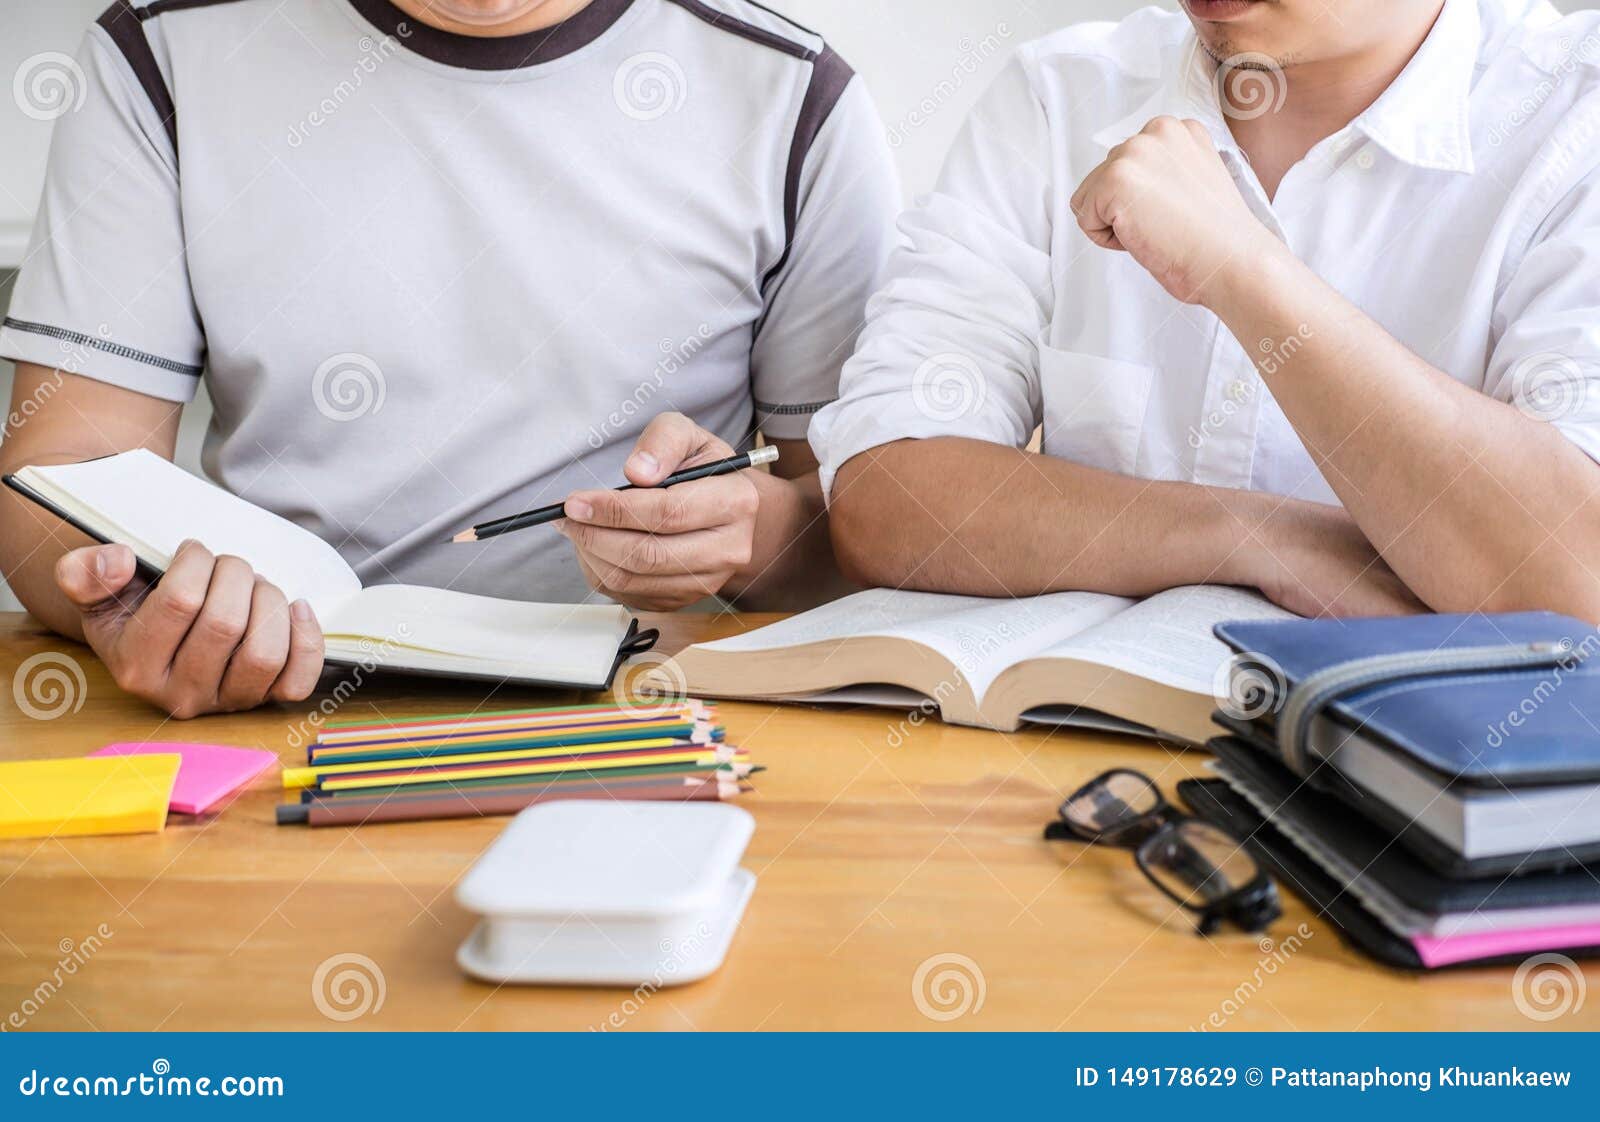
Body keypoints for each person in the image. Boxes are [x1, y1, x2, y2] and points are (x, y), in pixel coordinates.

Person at [0, 0, 898, 717]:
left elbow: (864, 526)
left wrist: (746, 535)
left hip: (641, 710)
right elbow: (60, 473)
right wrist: (131, 607)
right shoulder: (162, 55)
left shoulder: (791, 98)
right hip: (263, 696)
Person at [814, 0, 1600, 623]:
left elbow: (1575, 578)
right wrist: (1256, 538)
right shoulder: (1060, 93)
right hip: (1075, 755)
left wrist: (1243, 269)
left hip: (1419, 790)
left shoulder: (1573, 117)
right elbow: (885, 497)